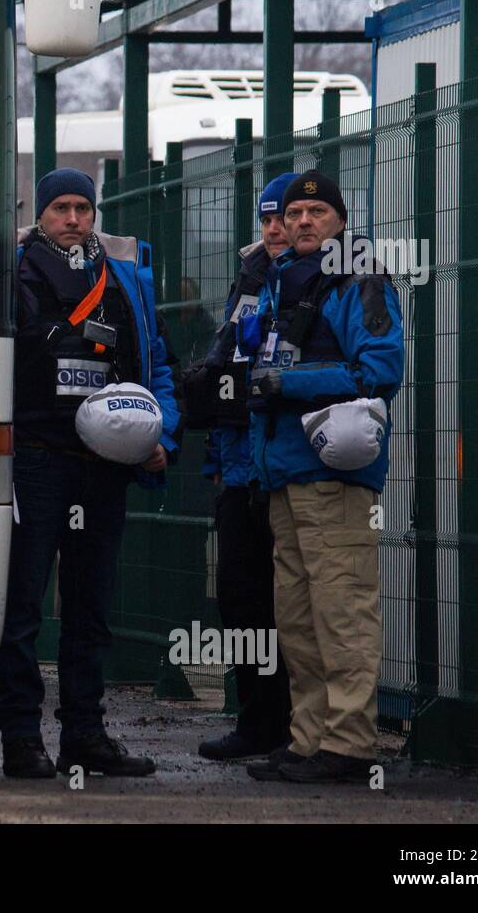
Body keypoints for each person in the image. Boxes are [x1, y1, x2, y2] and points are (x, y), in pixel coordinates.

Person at [0, 168, 181, 778]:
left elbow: (158, 366)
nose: (73, 219)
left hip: (103, 467)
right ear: (41, 214)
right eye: (60, 209)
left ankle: (85, 734)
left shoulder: (125, 278)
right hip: (35, 461)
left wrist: (161, 437)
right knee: (23, 606)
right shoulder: (12, 272)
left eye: (82, 208)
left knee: (90, 609)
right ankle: (22, 738)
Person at [239, 169, 404, 783]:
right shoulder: (286, 283)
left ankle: (349, 743)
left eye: (318, 212)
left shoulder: (361, 280)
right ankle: (310, 739)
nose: (303, 221)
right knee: (302, 619)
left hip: (333, 476)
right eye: (295, 213)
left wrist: (289, 384)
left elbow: (380, 371)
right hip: (286, 475)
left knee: (342, 611)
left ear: (340, 220)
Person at [189, 173, 297, 762]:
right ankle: (258, 722)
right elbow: (222, 370)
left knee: (297, 603)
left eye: (285, 216)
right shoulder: (249, 277)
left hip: (288, 466)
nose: (277, 228)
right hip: (237, 467)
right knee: (240, 596)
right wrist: (215, 459)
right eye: (268, 218)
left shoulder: (329, 278)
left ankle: (304, 729)